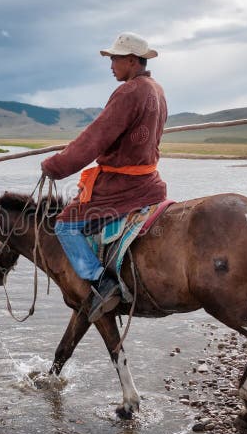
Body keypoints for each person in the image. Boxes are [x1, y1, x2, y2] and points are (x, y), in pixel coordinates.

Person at [40, 31, 168, 323]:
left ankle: (100, 280)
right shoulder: (156, 89)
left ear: (133, 61)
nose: (111, 65)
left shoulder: (128, 92)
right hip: (149, 182)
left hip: (122, 187)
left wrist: (55, 166)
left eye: (115, 59)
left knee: (64, 226)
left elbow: (94, 139)